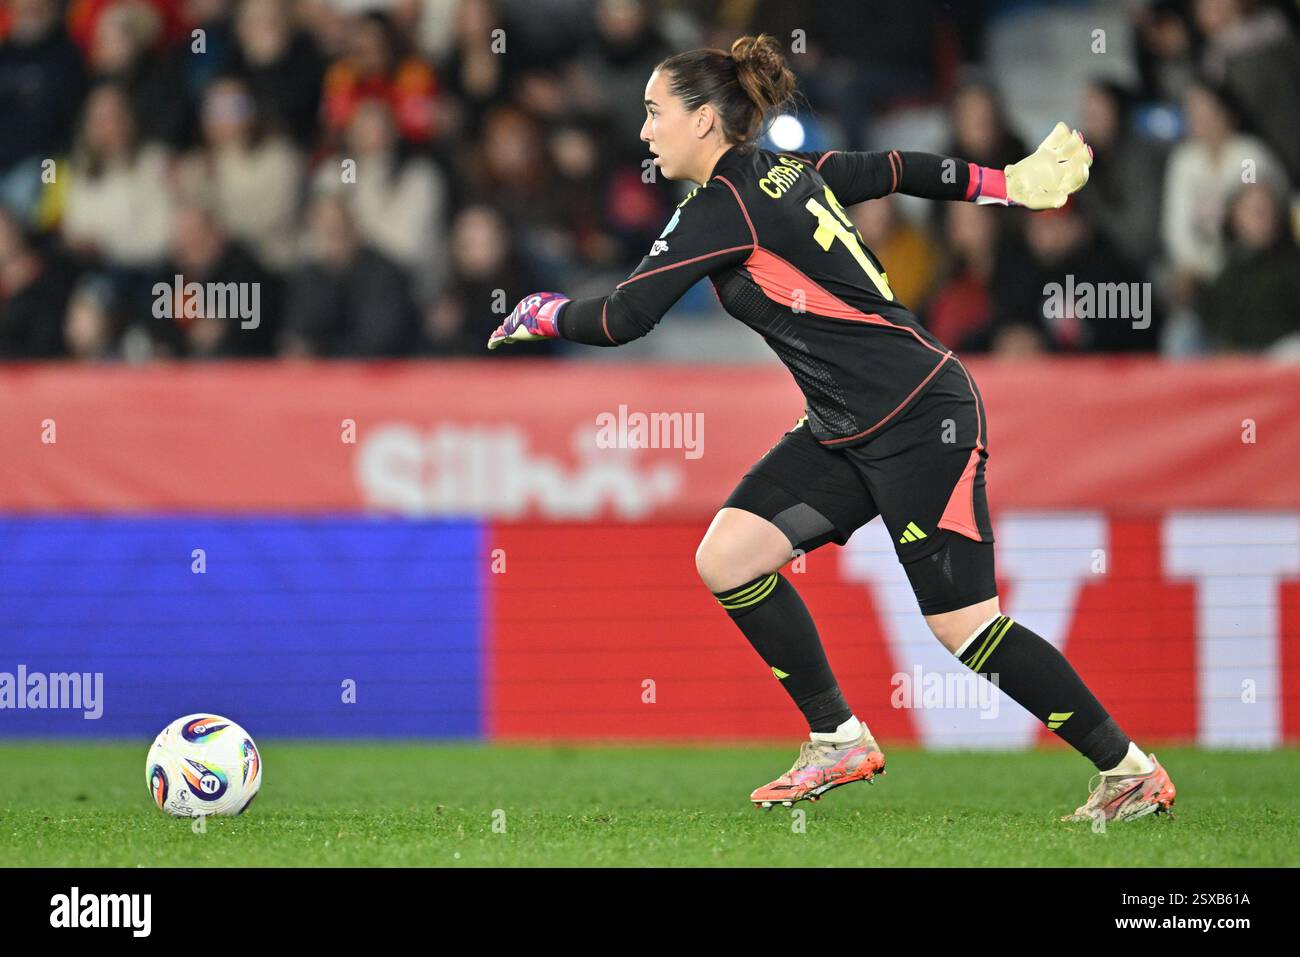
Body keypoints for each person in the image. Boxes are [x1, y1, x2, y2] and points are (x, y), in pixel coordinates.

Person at [487, 34, 1177, 824]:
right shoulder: (789, 172)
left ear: (706, 121)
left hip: (921, 417)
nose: (642, 132)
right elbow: (894, 168)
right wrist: (1006, 184)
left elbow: (621, 317)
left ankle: (1128, 770)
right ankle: (836, 734)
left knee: (965, 628)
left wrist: (540, 313)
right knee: (728, 556)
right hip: (848, 426)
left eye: (654, 112)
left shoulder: (720, 208)